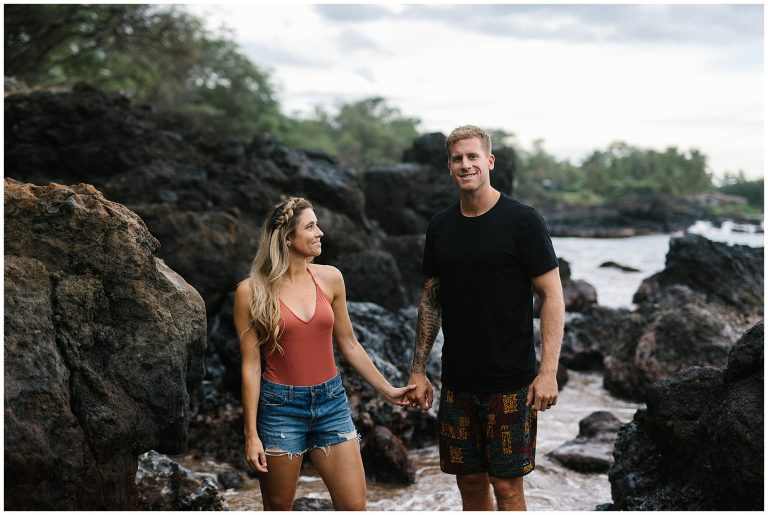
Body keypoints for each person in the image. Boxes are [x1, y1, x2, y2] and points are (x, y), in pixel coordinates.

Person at [406, 126, 565, 511]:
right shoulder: (440, 227)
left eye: (473, 156)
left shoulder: (523, 221)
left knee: (508, 488)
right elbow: (431, 300)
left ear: (489, 161)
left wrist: (547, 373)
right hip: (458, 382)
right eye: (458, 158)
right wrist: (418, 370)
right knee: (470, 483)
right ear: (449, 166)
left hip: (510, 381)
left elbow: (552, 297)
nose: (466, 164)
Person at [233, 197, 416, 511]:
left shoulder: (331, 278)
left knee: (355, 508)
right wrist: (251, 435)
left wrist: (389, 390)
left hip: (331, 404)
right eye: (310, 226)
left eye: (317, 224)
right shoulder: (251, 292)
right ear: (288, 238)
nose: (320, 232)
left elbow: (349, 344)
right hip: (280, 410)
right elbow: (250, 366)